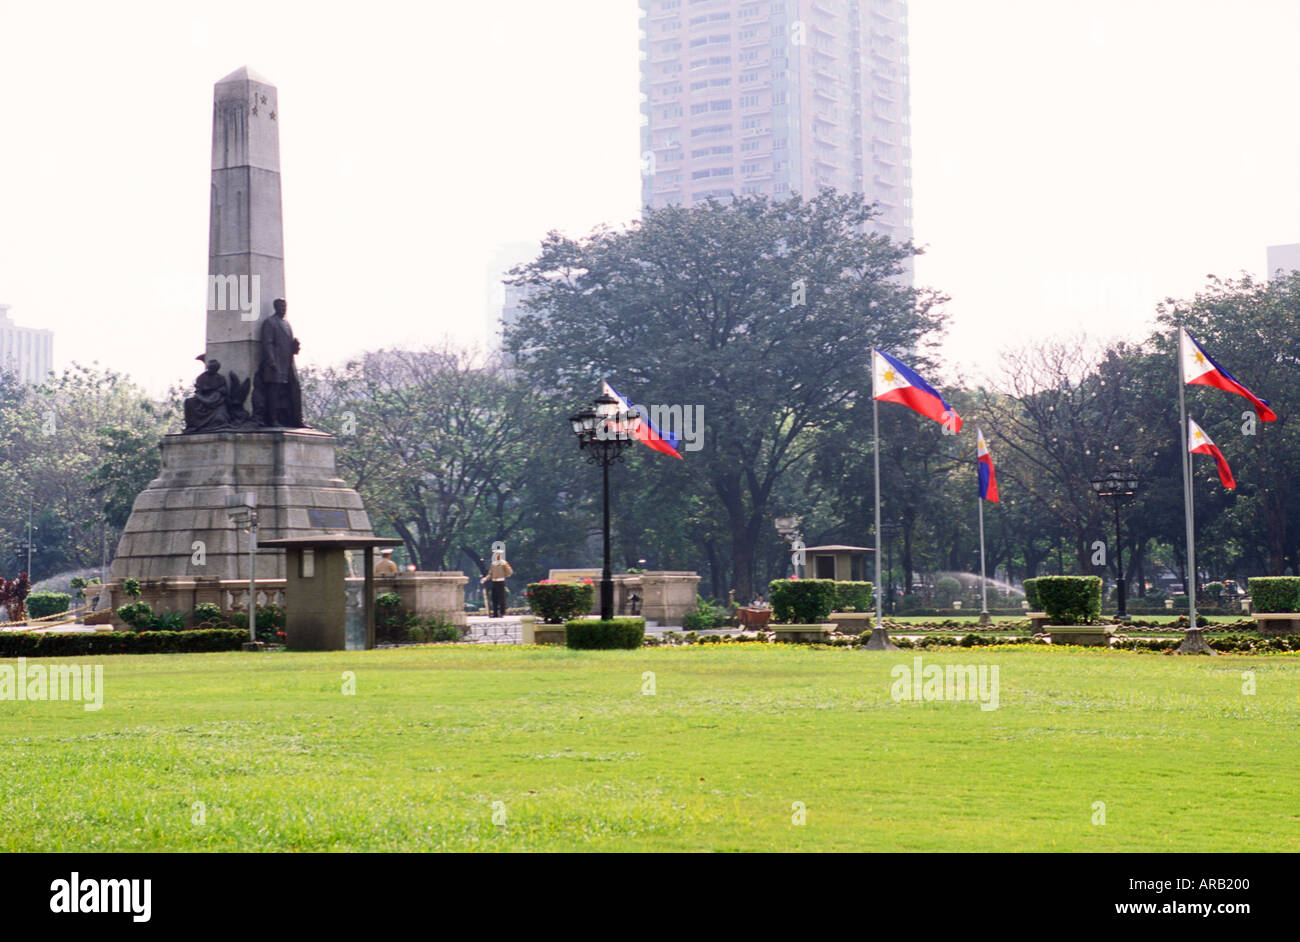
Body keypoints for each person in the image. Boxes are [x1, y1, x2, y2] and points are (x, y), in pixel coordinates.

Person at [481, 549, 514, 618]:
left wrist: (503, 575)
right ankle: (495, 613)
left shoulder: (504, 563)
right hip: (494, 581)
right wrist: (485, 579)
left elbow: (510, 572)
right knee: (494, 598)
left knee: (501, 598)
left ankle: (502, 613)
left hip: (501, 581)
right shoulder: (493, 564)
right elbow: (490, 574)